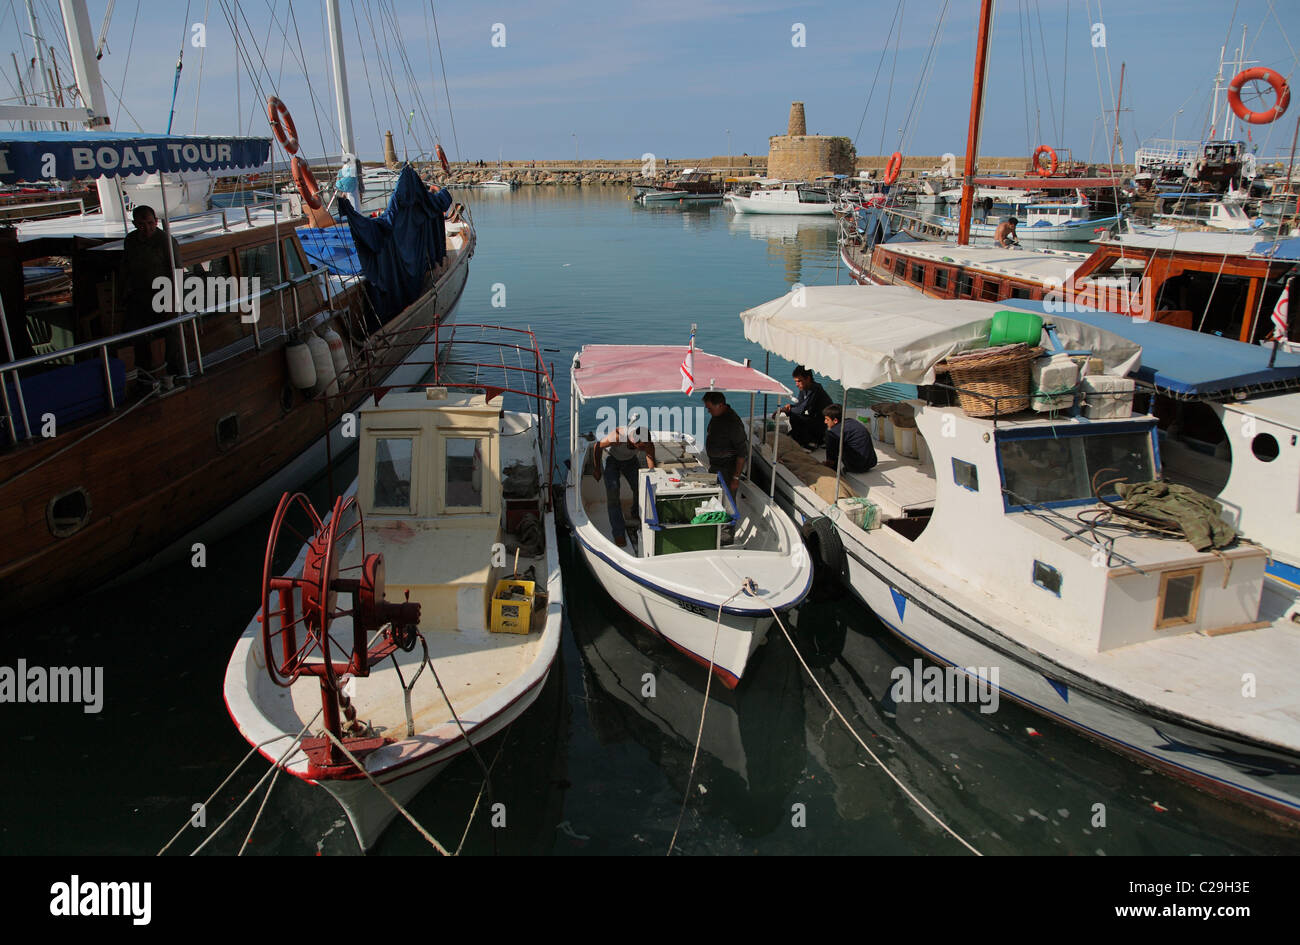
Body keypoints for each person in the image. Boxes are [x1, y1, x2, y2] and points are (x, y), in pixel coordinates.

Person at [121, 205, 183, 376]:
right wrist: (125, 293)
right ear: (134, 224)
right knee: (138, 337)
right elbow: (126, 268)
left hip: (164, 296)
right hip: (140, 297)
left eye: (150, 223)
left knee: (171, 337)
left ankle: (175, 375)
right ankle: (145, 375)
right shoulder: (130, 240)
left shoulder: (166, 241)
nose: (146, 228)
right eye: (141, 224)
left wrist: (173, 302)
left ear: (156, 221)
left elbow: (177, 272)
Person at [592, 422, 656, 547]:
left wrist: (652, 473)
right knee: (613, 493)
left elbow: (649, 454)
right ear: (633, 440)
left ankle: (635, 512)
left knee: (640, 487)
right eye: (640, 447)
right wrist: (597, 469)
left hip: (630, 461)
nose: (642, 449)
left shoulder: (647, 443)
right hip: (611, 459)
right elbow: (597, 446)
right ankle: (618, 532)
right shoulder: (618, 437)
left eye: (644, 447)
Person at [702, 391, 747, 495]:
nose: (709, 411)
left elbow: (742, 452)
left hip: (727, 470)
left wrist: (735, 478)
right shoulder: (717, 415)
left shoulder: (733, 423)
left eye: (710, 408)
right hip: (716, 465)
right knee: (715, 496)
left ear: (720, 405)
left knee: (728, 501)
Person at [777, 365, 832, 447]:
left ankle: (810, 441)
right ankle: (800, 437)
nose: (797, 384)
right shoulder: (804, 389)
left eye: (799, 381)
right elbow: (799, 405)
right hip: (813, 419)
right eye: (796, 381)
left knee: (795, 416)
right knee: (794, 414)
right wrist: (788, 408)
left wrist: (789, 409)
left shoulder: (815, 390)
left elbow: (802, 409)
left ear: (808, 379)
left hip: (822, 424)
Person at [822, 404, 877, 474]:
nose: (825, 422)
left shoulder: (833, 433)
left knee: (832, 441)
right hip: (871, 462)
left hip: (857, 467)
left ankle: (838, 471)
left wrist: (828, 464)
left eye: (827, 419)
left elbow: (832, 455)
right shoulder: (851, 421)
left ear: (835, 420)